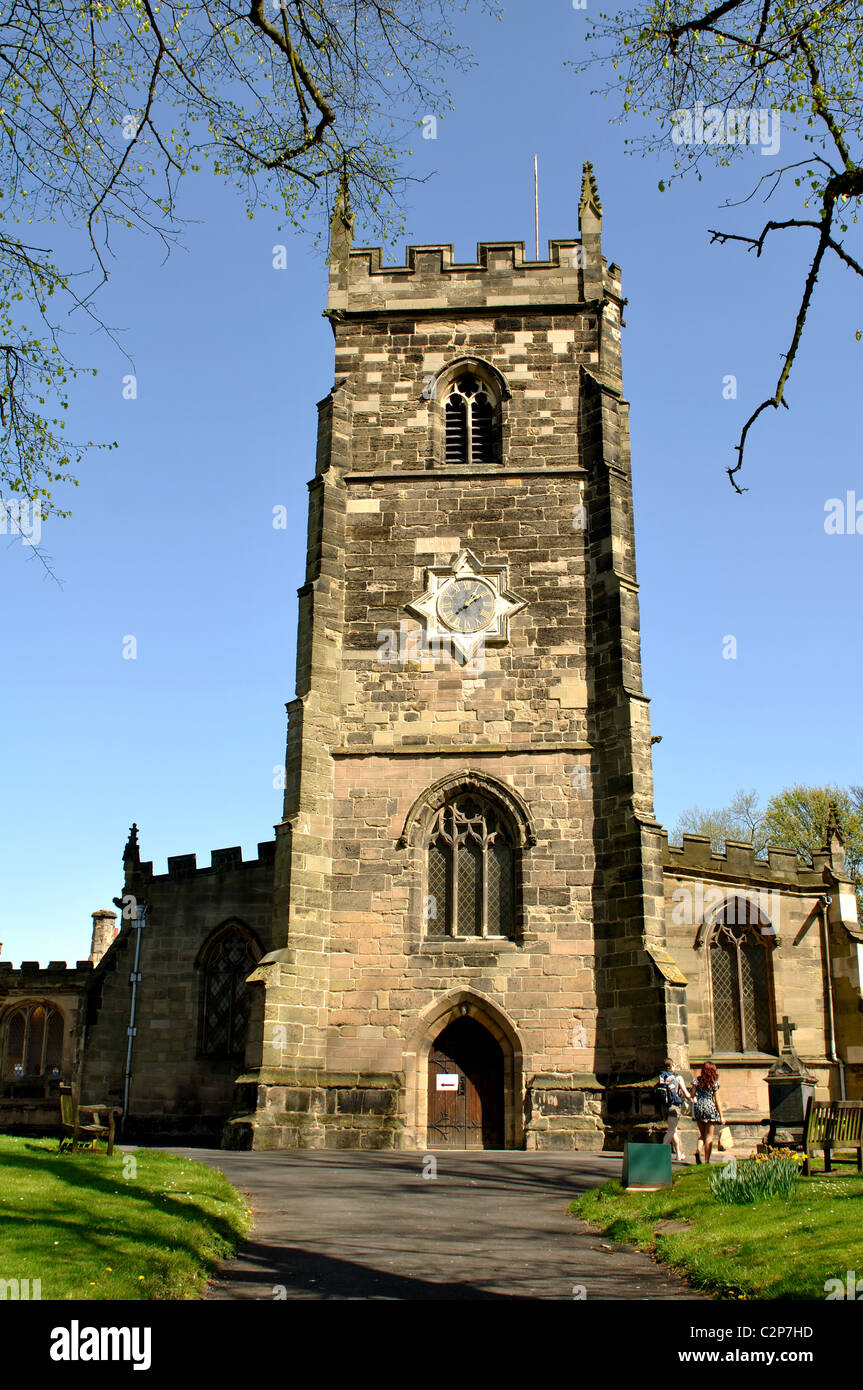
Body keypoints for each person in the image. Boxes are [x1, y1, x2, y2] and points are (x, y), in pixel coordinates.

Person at [657, 1058, 691, 1162]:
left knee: (674, 1130)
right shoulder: (678, 1077)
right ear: (672, 1066)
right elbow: (685, 1092)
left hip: (664, 1106)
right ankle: (660, 1153)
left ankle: (678, 1154)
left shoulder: (662, 1077)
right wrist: (692, 1098)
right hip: (674, 1107)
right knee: (671, 1130)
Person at [691, 1062, 724, 1165]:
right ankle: (707, 1160)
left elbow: (692, 1095)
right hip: (710, 1108)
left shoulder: (696, 1081)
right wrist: (721, 1116)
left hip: (699, 1107)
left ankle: (698, 1151)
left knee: (702, 1135)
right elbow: (717, 1100)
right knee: (709, 1136)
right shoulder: (714, 1083)